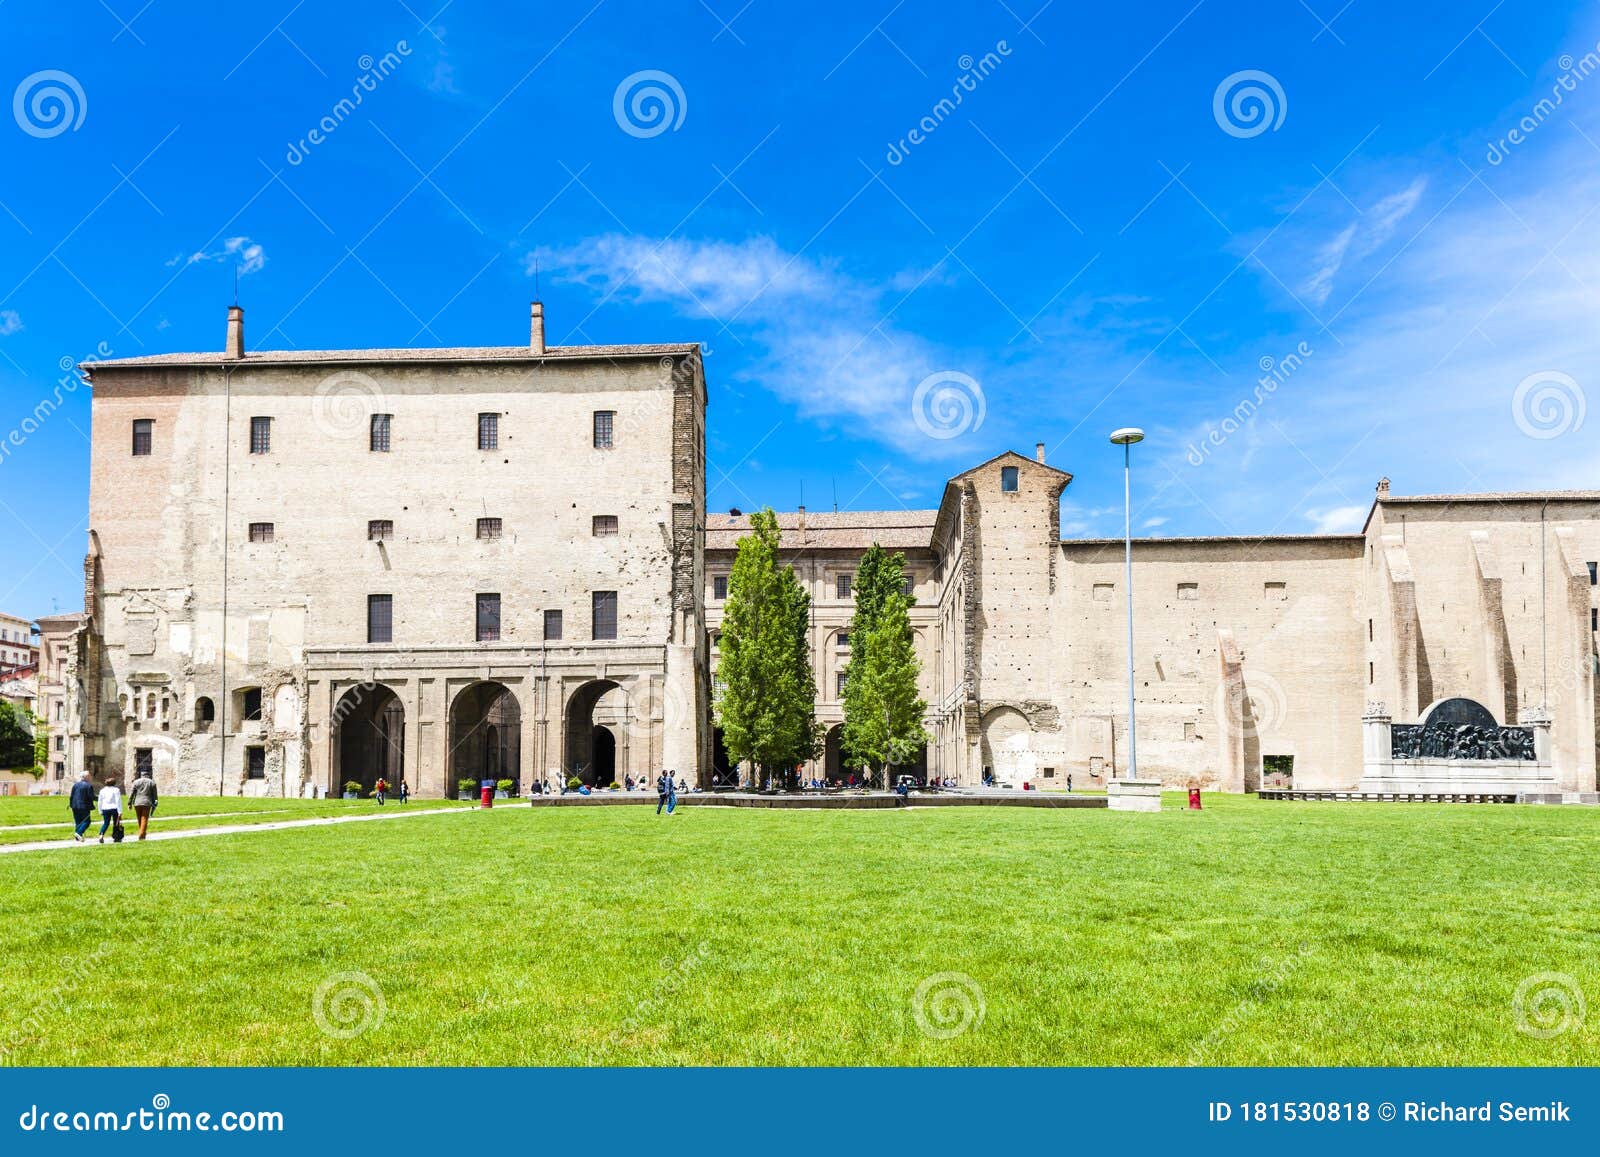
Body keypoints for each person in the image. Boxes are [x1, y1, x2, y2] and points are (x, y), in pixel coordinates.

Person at [128, 766, 159, 840]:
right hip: (147, 802)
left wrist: (129, 803)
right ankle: (142, 834)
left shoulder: (136, 782)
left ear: (141, 774)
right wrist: (155, 803)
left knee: (139, 819)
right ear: (148, 774)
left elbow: (132, 793)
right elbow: (155, 795)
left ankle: (142, 833)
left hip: (137, 802)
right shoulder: (152, 782)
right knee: (144, 818)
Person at [69, 772, 94, 842]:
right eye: (89, 776)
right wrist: (101, 799)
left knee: (78, 822)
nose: (90, 777)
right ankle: (79, 833)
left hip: (74, 805)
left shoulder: (75, 785)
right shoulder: (88, 786)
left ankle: (77, 837)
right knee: (87, 821)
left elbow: (71, 796)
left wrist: (71, 804)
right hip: (84, 806)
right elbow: (91, 796)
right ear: (86, 777)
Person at [96, 777, 122, 844]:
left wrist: (100, 810)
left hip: (105, 808)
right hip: (114, 808)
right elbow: (118, 801)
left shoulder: (102, 790)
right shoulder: (116, 790)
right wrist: (120, 811)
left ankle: (101, 834)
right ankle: (116, 837)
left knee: (106, 823)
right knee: (116, 823)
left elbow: (100, 801)